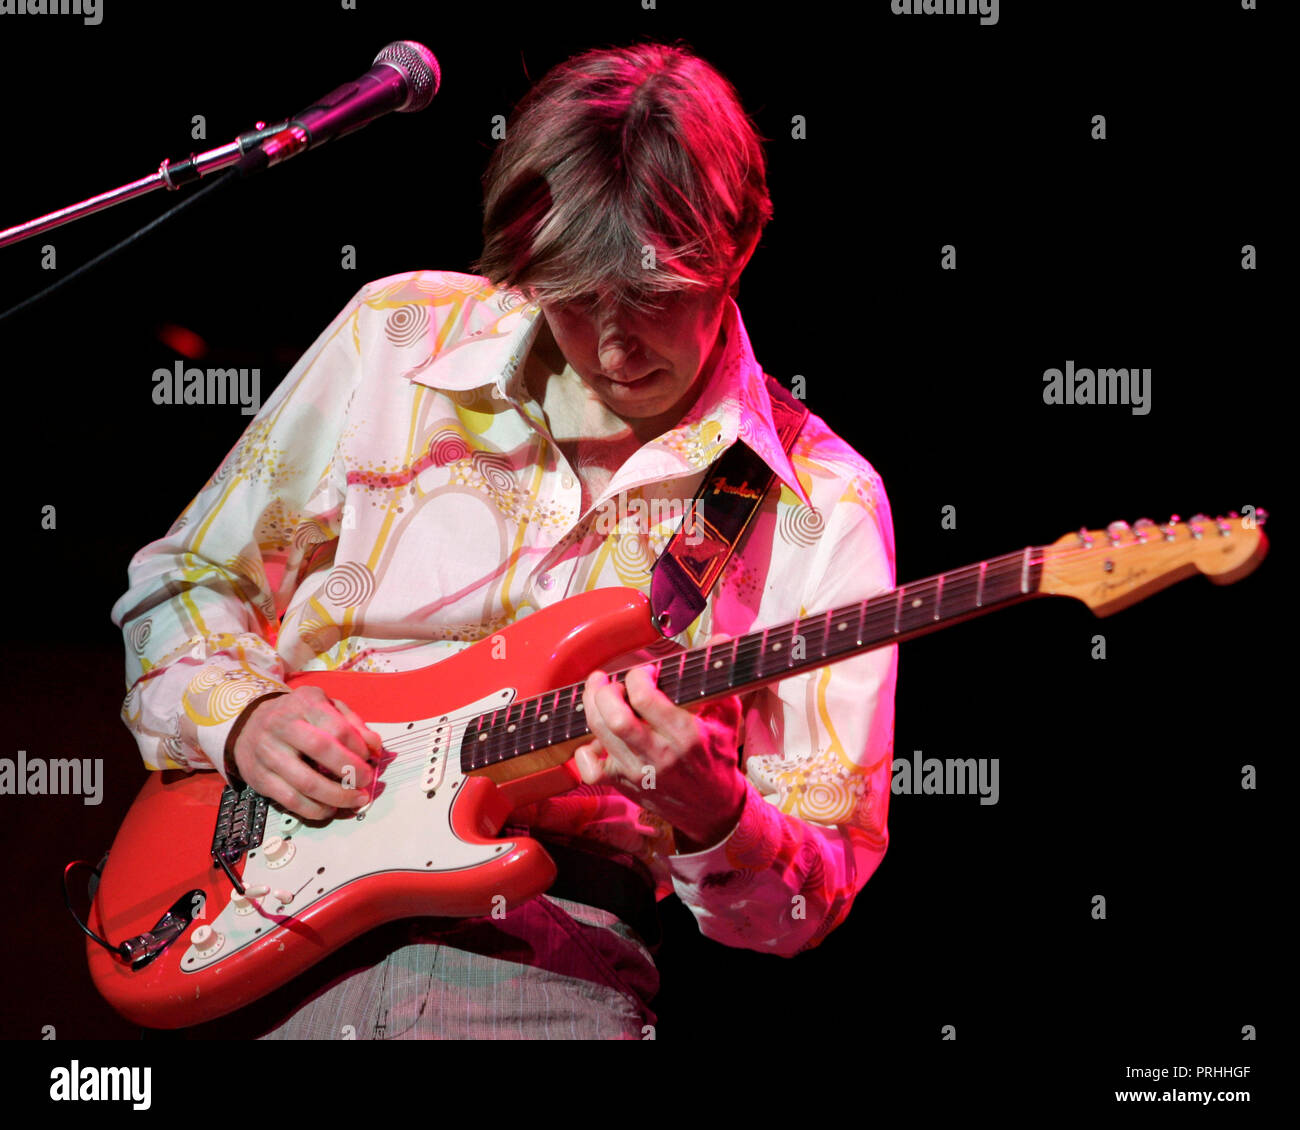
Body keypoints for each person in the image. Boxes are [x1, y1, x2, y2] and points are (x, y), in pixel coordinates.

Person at [112, 42, 898, 1039]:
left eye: (656, 299)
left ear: (741, 244)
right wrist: (242, 714)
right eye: (573, 301)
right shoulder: (398, 335)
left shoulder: (815, 501)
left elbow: (807, 899)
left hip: (539, 968)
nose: (614, 345)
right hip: (257, 929)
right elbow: (184, 581)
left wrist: (714, 811)